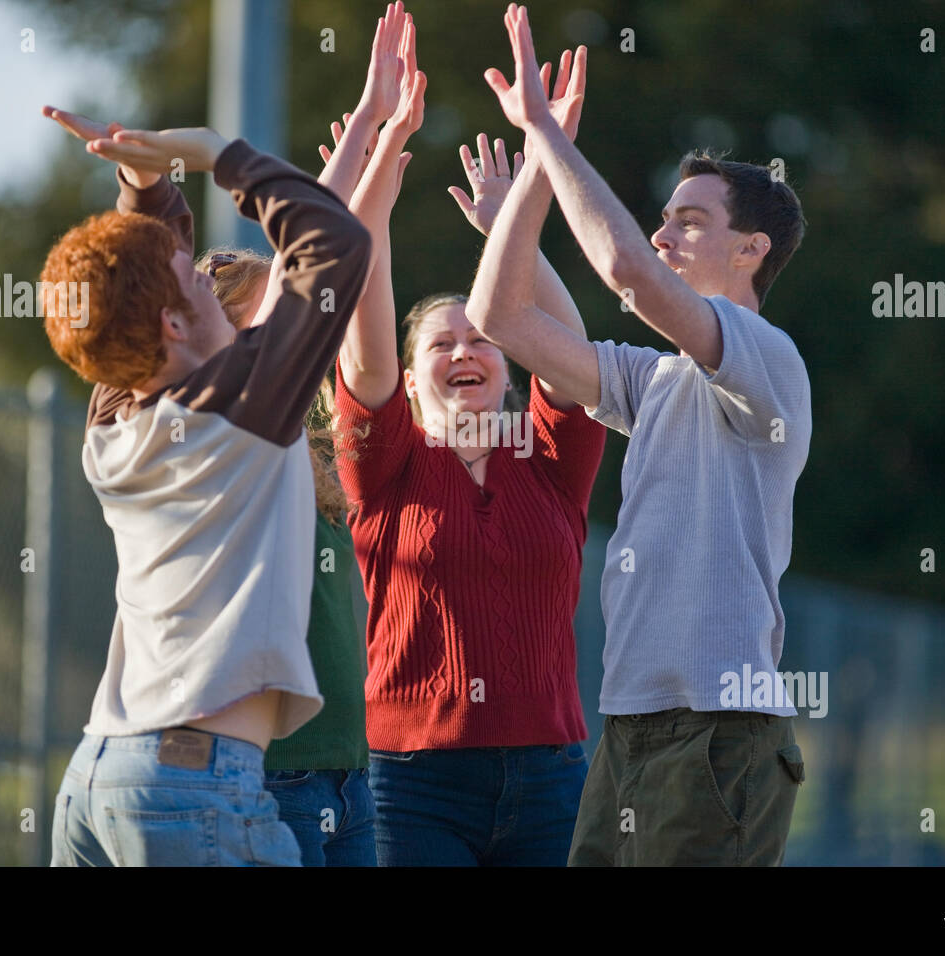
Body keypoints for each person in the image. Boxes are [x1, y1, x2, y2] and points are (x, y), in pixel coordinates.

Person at [466, 4, 811, 866]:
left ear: (751, 250)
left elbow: (627, 272)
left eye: (690, 221)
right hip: (628, 730)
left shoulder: (767, 358)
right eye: (665, 217)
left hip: (720, 732)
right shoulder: (655, 379)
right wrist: (528, 197)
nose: (664, 233)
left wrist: (547, 133)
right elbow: (498, 315)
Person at [41, 120, 371, 867]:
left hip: (99, 777)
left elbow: (141, 278)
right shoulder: (245, 402)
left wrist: (144, 183)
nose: (206, 273)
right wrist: (214, 152)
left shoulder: (113, 417)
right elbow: (336, 243)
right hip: (194, 788)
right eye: (195, 280)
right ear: (172, 321)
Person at [331, 7, 606, 866]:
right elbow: (362, 303)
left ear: (513, 364)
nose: (465, 349)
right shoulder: (387, 463)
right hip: (411, 781)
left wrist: (513, 226)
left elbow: (575, 346)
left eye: (482, 337)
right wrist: (379, 147)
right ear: (409, 383)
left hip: (553, 775)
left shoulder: (551, 457)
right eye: (440, 344)